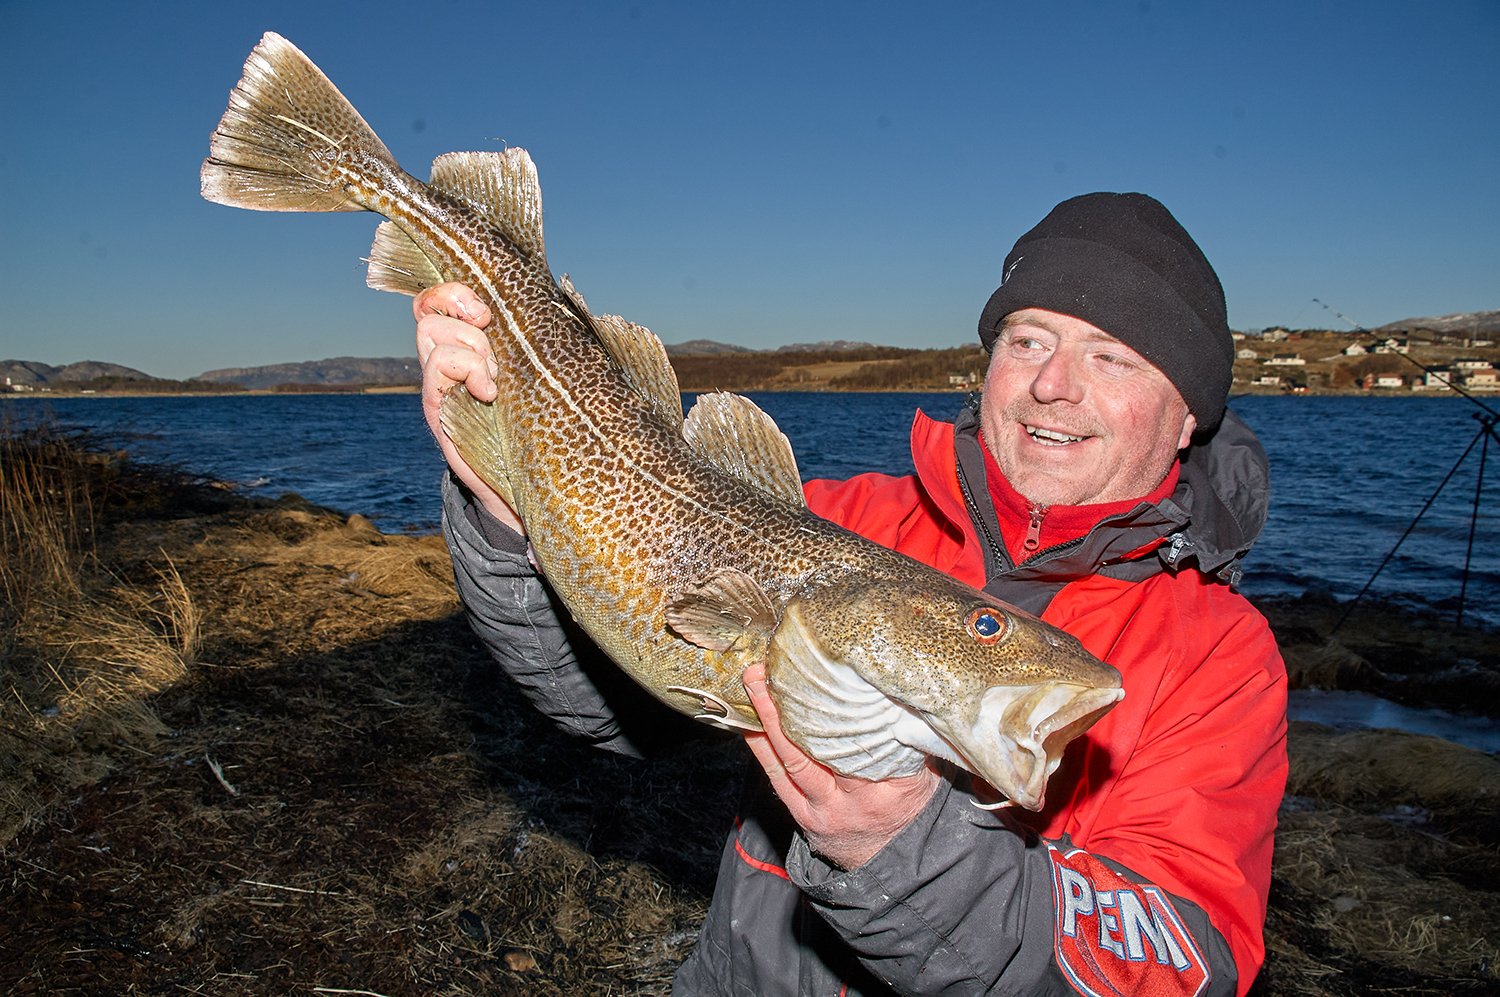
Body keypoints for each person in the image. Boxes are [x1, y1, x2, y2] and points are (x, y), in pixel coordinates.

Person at [416, 192, 1287, 997]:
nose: (1054, 384)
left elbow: (1179, 959)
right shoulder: (833, 524)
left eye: (1113, 357)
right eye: (1028, 340)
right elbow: (607, 705)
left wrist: (901, 849)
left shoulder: (1223, 654)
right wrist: (511, 518)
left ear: (1184, 420)